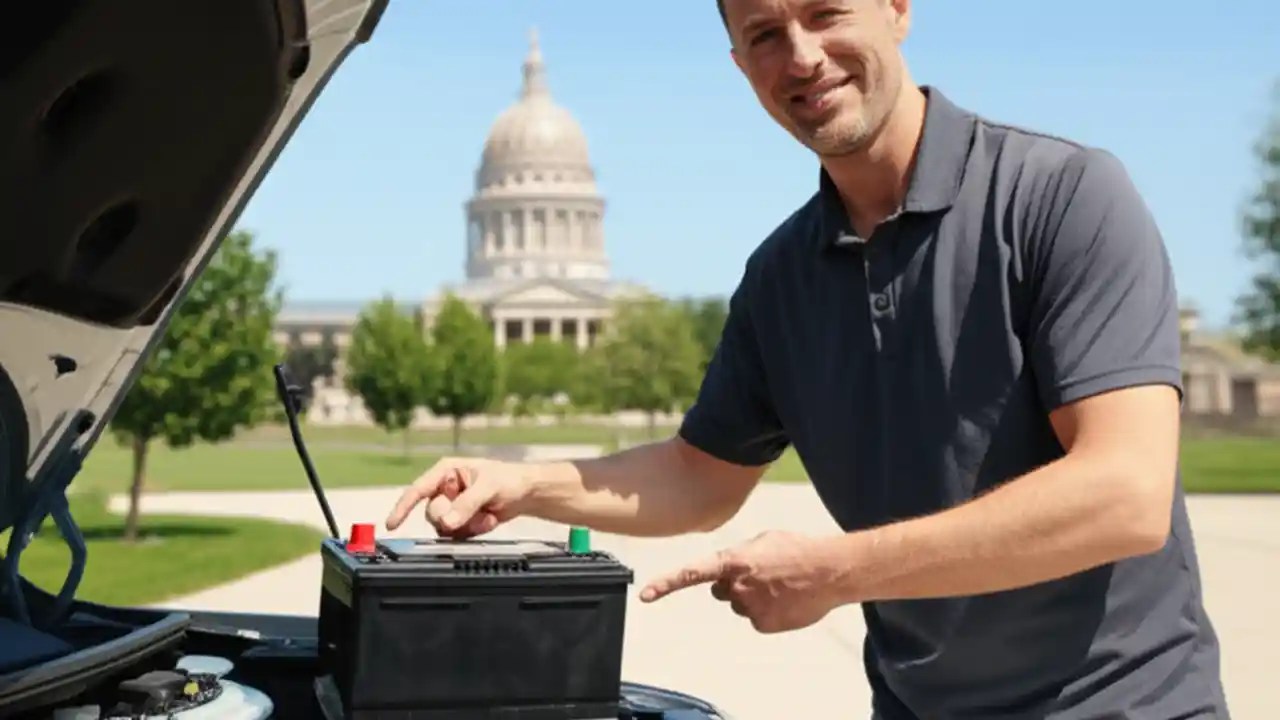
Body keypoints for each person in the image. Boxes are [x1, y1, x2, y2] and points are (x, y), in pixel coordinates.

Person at [386, 0, 1229, 717]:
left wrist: (836, 570)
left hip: (1121, 703)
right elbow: (698, 476)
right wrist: (525, 483)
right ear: (739, 65)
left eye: (825, 11)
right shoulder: (780, 275)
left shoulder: (1062, 196)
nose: (801, 55)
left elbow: (1125, 493)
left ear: (898, 7)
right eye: (763, 33)